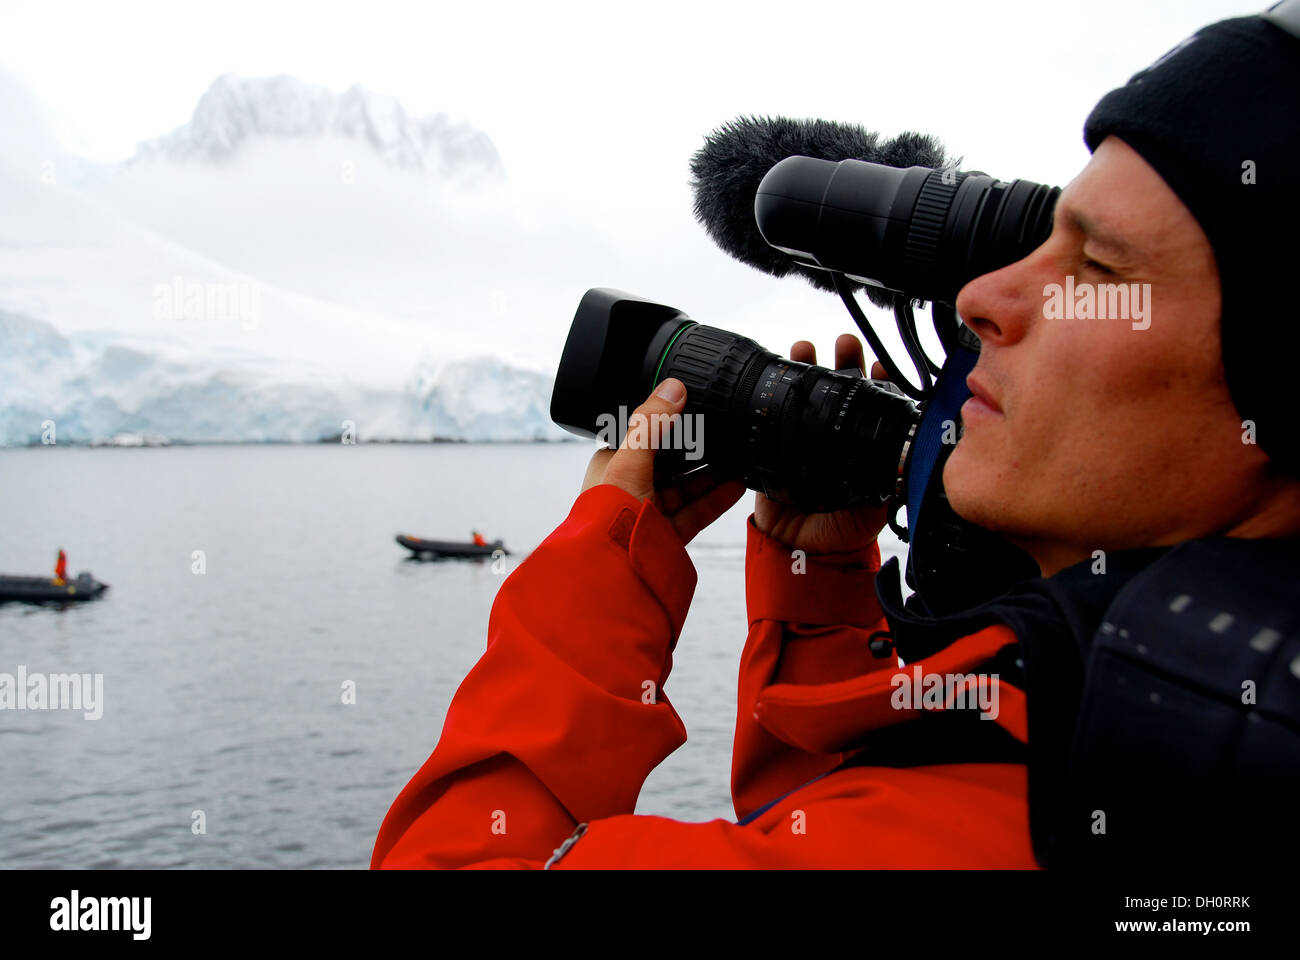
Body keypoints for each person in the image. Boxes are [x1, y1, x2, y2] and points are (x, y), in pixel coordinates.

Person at [371, 5, 1300, 869]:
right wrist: (815, 601)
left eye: (1094, 268)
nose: (980, 298)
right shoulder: (1179, 729)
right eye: (1036, 243)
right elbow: (866, 819)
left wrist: (599, 567)